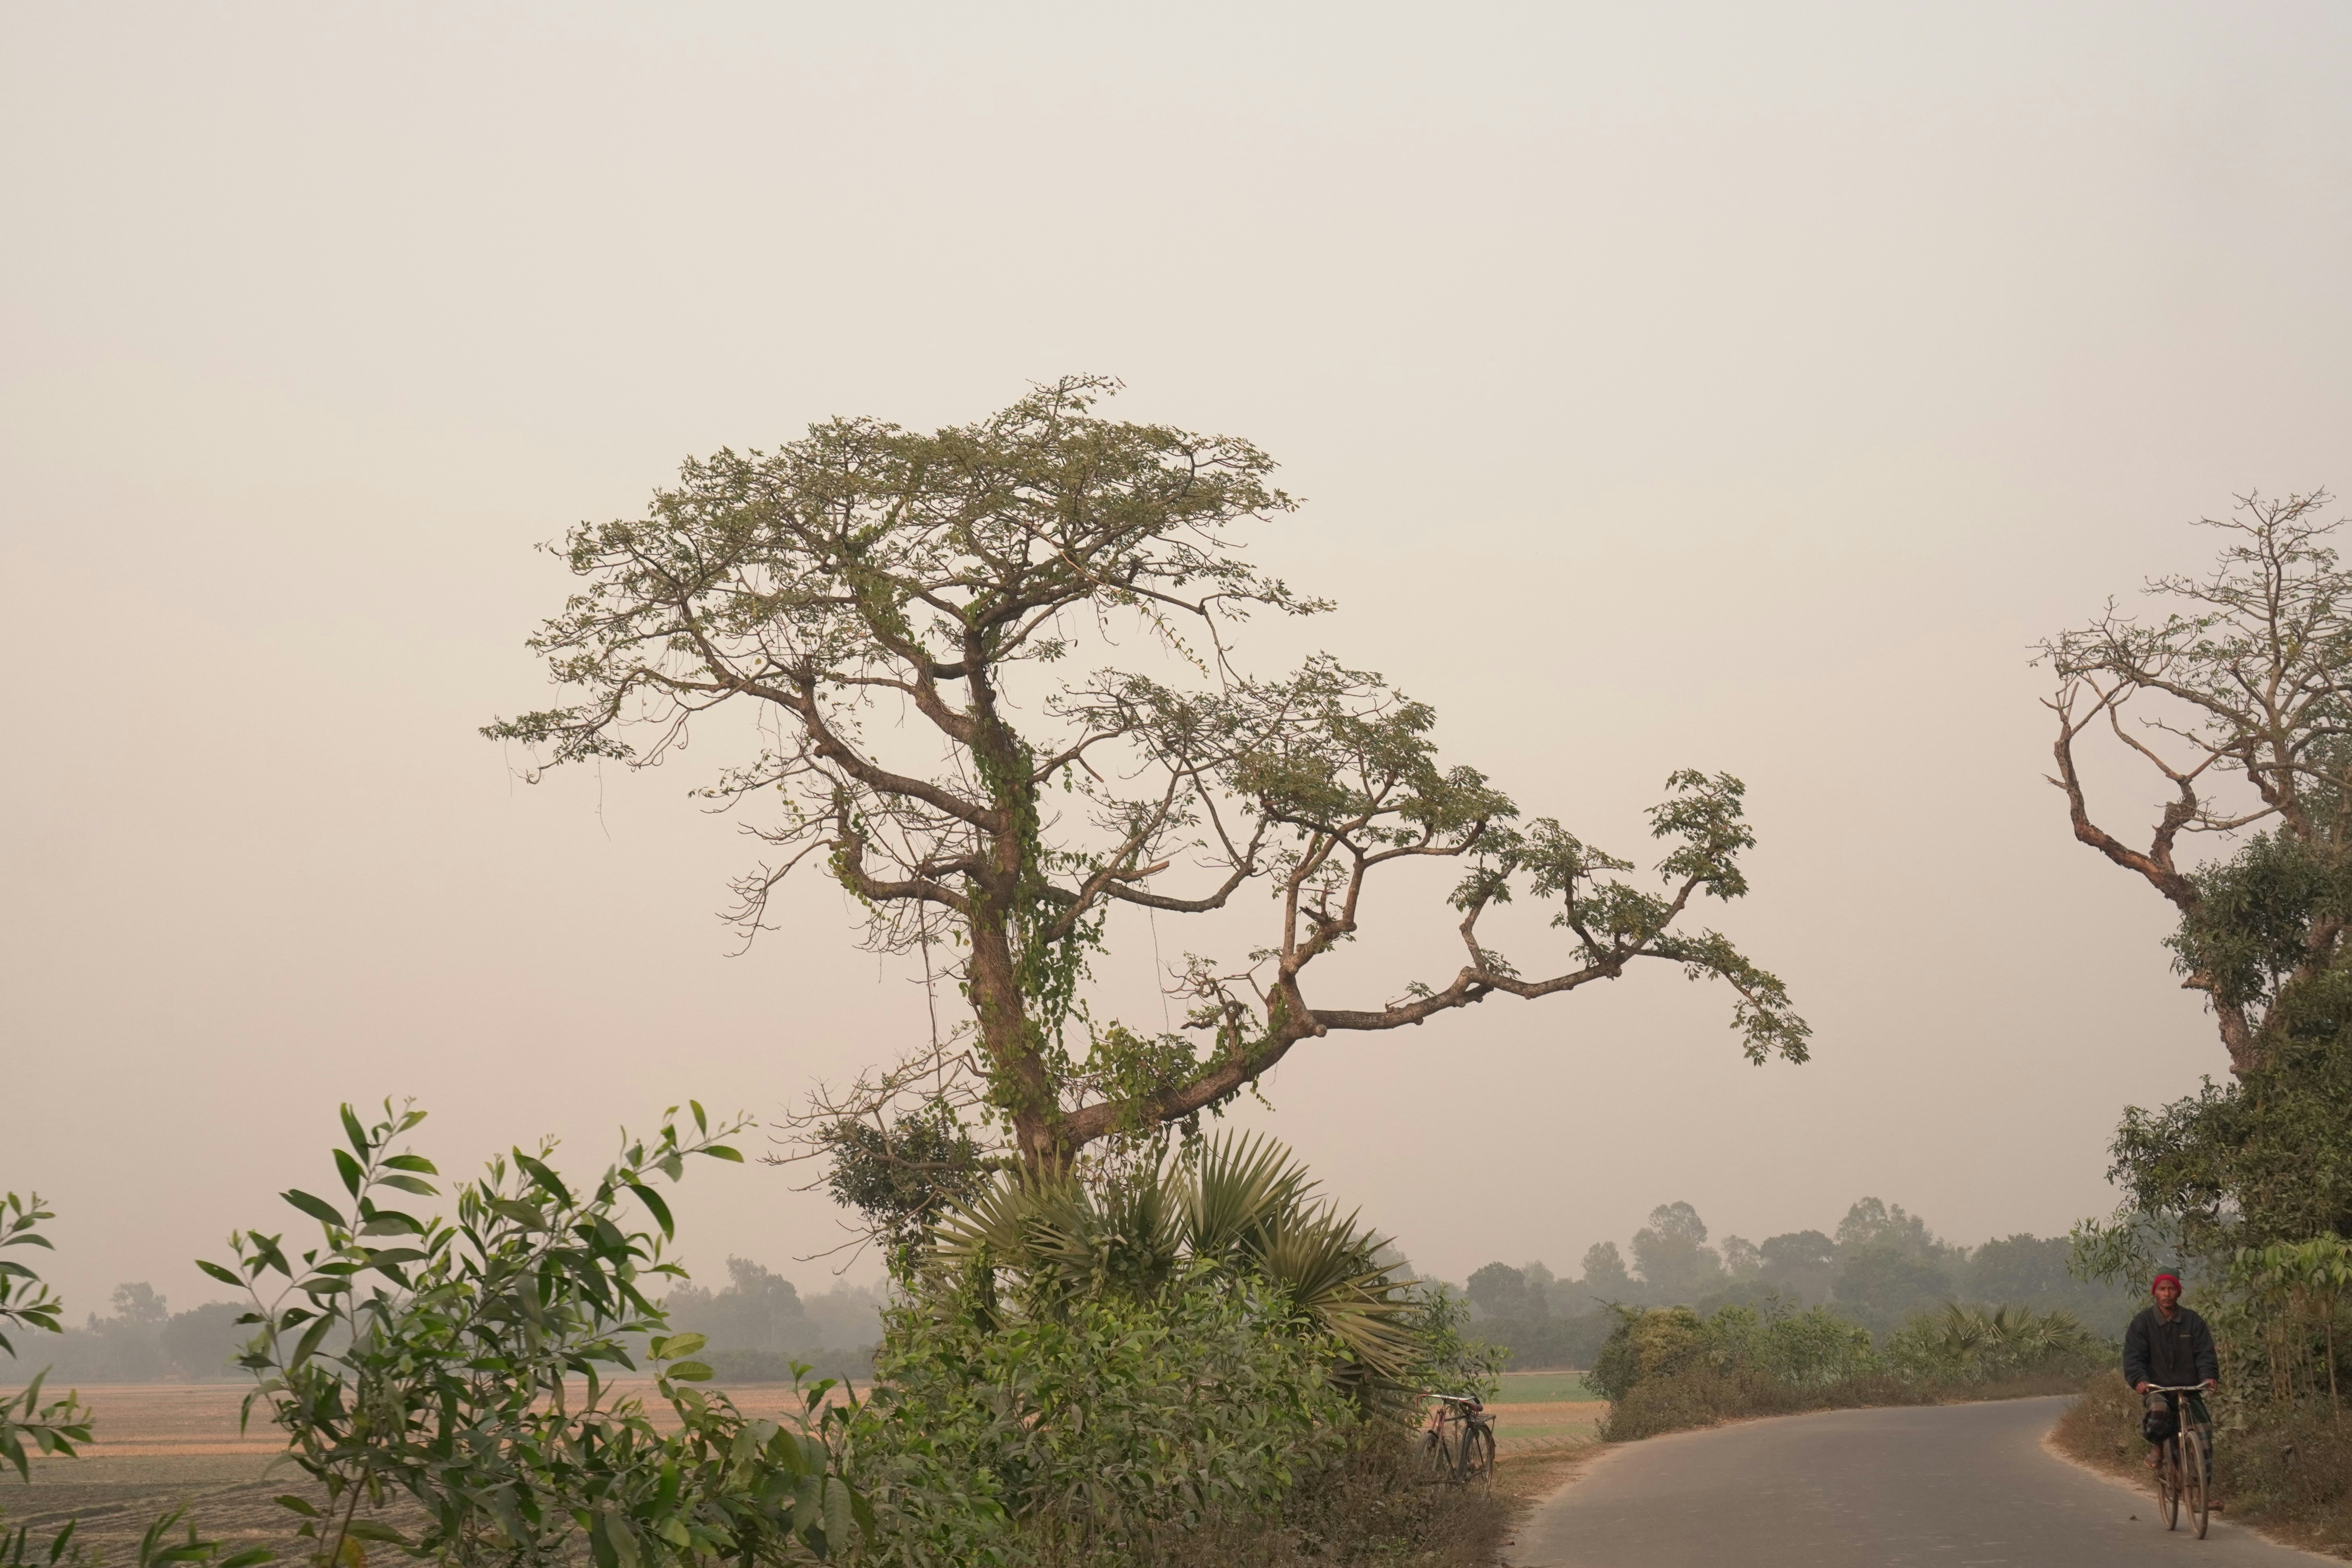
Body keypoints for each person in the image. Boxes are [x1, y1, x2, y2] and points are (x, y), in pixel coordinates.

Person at [2122, 1272, 2218, 1479]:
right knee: (2159, 1411)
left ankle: (2200, 1489)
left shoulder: (2193, 1321)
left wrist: (2209, 1377)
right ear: (2155, 1293)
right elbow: (2133, 1357)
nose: (2167, 1294)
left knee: (2204, 1431)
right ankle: (2158, 1448)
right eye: (2162, 1289)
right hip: (2158, 1389)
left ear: (2178, 1292)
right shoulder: (2143, 1323)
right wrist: (2139, 1379)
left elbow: (2205, 1354)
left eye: (2171, 1289)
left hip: (2189, 1390)